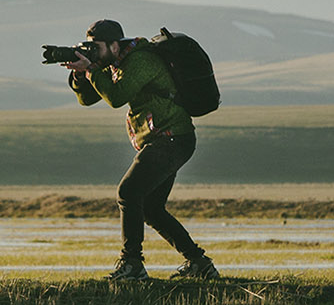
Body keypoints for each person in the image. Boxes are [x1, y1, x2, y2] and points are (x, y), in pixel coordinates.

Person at [64, 18, 220, 282]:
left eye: (97, 48)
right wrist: (82, 74)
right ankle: (199, 263)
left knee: (128, 192)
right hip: (166, 139)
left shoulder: (140, 60)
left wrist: (91, 69)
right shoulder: (115, 63)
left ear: (114, 46)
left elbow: (115, 97)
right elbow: (88, 99)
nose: (94, 53)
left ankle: (132, 264)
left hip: (171, 138)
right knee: (151, 208)